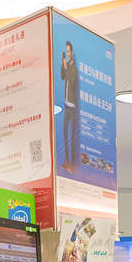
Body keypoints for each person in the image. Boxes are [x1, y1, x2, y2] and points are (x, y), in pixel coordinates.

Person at [59, 42, 80, 173]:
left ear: (72, 52)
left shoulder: (74, 68)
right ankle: (67, 160)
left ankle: (72, 164)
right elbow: (62, 77)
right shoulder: (67, 65)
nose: (67, 54)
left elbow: (72, 82)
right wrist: (63, 64)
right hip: (66, 105)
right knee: (65, 133)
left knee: (72, 136)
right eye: (66, 52)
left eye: (68, 51)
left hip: (73, 107)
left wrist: (67, 68)